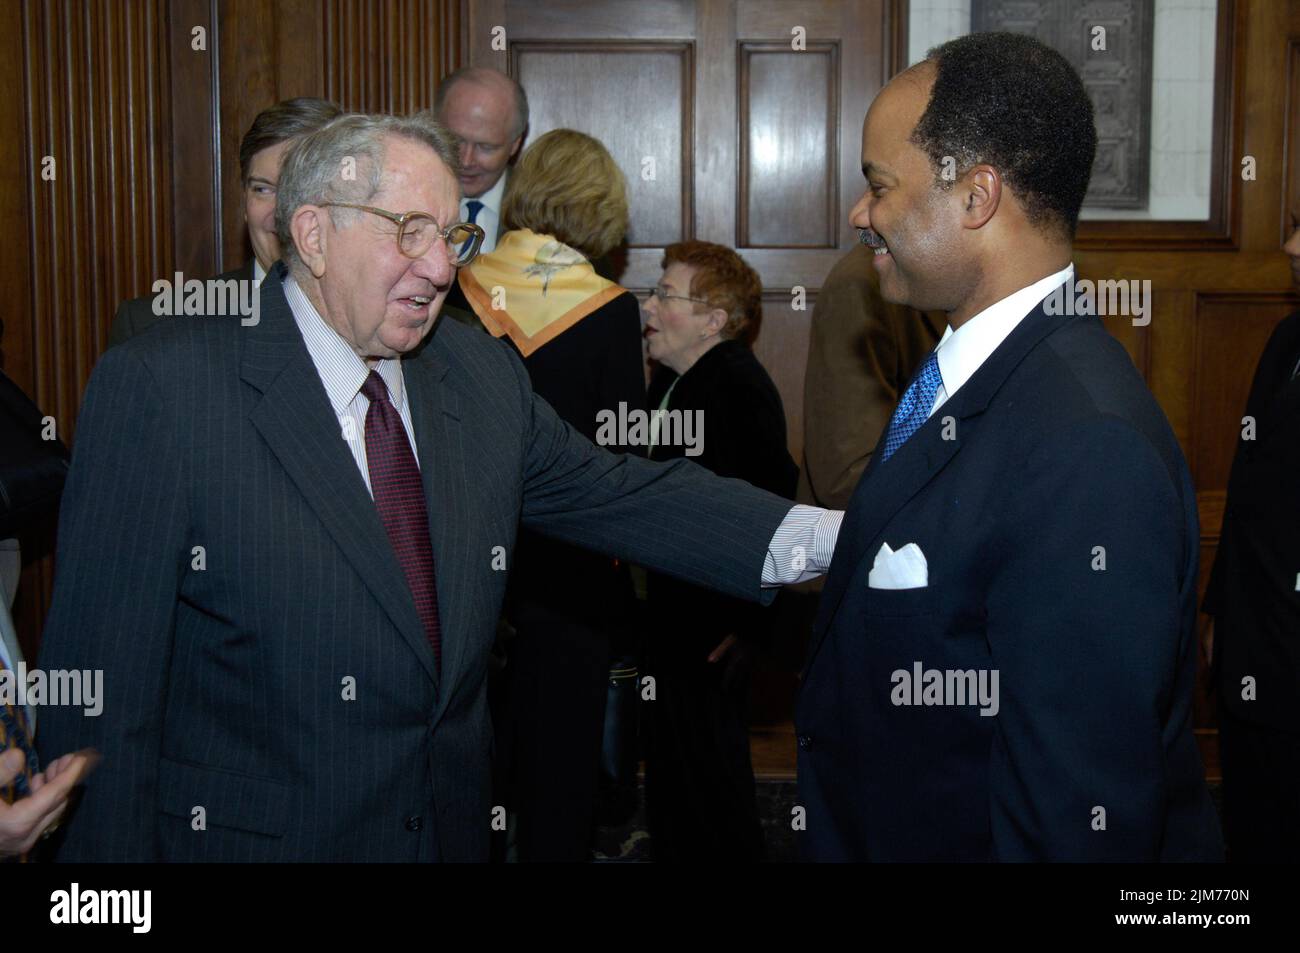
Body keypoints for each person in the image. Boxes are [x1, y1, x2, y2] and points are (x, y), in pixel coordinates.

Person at [36, 111, 840, 862]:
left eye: (451, 234)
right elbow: (101, 704)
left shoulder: (479, 375)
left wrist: (833, 538)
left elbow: (621, 491)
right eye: (408, 232)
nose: (442, 266)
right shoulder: (167, 390)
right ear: (312, 233)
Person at [796, 32, 1222, 861]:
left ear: (976, 196)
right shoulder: (974, 364)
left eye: (878, 186)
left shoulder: (1085, 448)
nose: (860, 214)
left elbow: (1074, 821)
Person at [446, 128, 645, 860]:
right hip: (572, 571)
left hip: (467, 559)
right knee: (560, 785)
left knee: (471, 765)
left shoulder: (460, 287)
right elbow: (623, 456)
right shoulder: (611, 311)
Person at [640, 240, 797, 861]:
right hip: (674, 617)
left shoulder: (736, 384)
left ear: (714, 319)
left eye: (664, 295)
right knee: (677, 782)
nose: (648, 305)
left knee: (711, 785)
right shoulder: (669, 385)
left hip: (714, 627)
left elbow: (771, 504)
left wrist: (750, 621)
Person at [1201, 211, 1300, 863]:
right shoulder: (1287, 337)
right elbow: (1246, 492)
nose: (1290, 245)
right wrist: (1219, 609)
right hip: (1252, 650)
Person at [108, 97, 342, 346]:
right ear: (244, 201)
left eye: (299, 189)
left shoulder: (382, 325)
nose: (279, 214)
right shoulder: (153, 328)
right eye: (263, 190)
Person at [801, 242, 939, 510]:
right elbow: (848, 476)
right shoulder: (861, 284)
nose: (859, 215)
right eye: (878, 196)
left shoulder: (937, 278)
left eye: (879, 196)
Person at [434, 67, 528, 254]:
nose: (466, 161)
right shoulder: (400, 200)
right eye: (455, 141)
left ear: (515, 144)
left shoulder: (544, 212)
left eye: (486, 147)